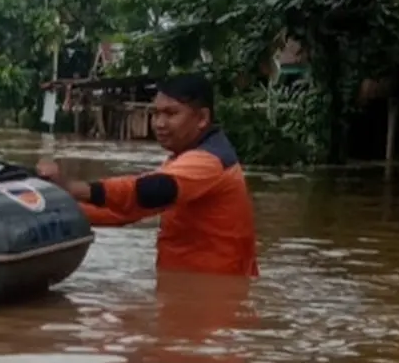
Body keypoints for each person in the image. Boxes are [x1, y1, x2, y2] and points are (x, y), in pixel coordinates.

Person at [37, 73, 259, 277]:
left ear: (202, 118)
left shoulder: (208, 162)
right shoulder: (183, 159)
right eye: (155, 114)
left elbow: (151, 192)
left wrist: (75, 188)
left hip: (212, 299)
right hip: (191, 292)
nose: (159, 124)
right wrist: (58, 211)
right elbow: (129, 210)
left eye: (171, 114)